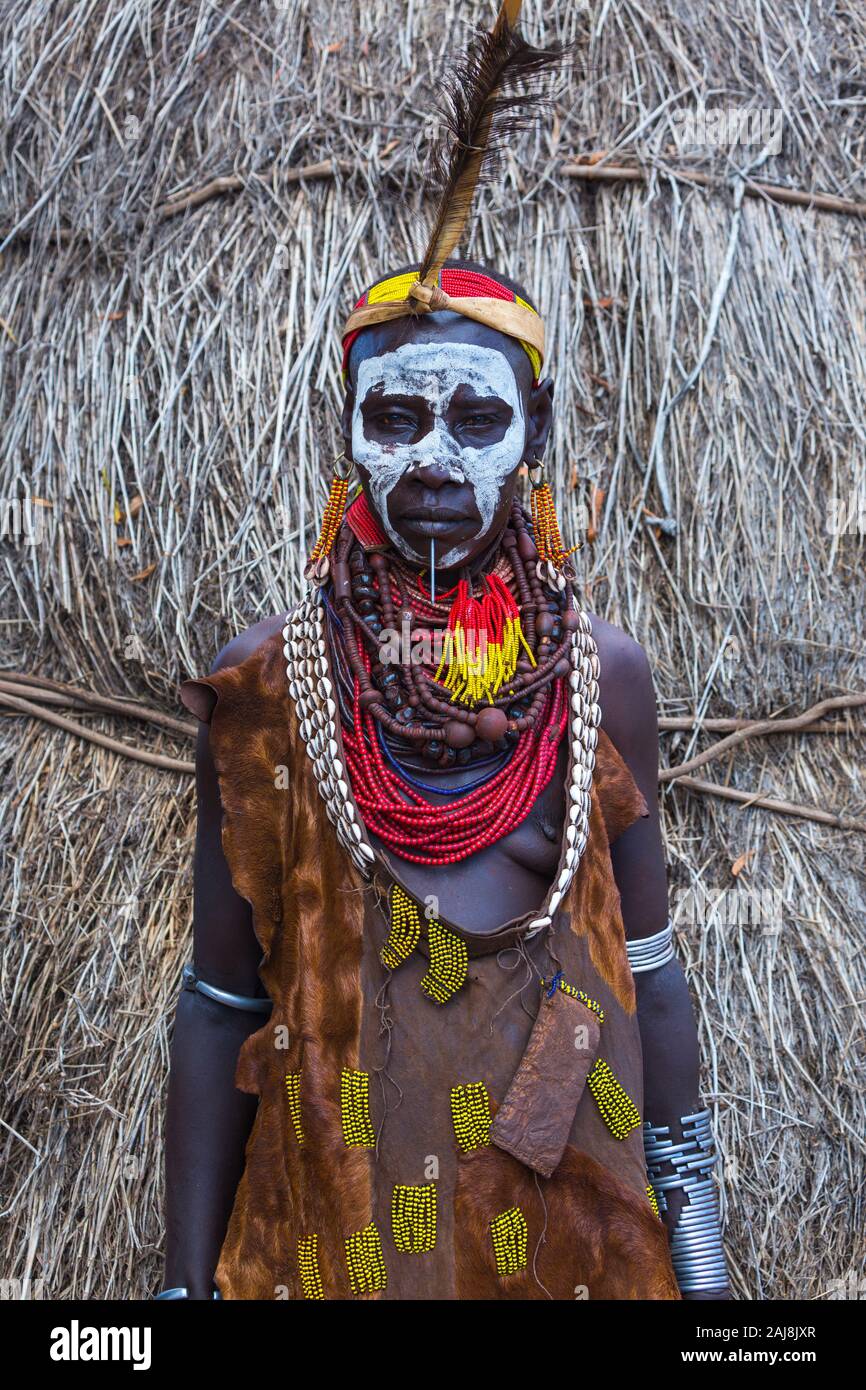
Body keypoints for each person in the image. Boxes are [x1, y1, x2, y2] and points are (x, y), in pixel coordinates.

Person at [160, 4, 730, 1302]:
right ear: (345, 432)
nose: (430, 459)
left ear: (535, 431)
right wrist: (181, 1291)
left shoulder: (600, 678)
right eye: (395, 417)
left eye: (475, 418)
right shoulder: (269, 685)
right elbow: (217, 1000)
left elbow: (649, 974)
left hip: (563, 1240)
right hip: (339, 1237)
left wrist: (698, 1260)